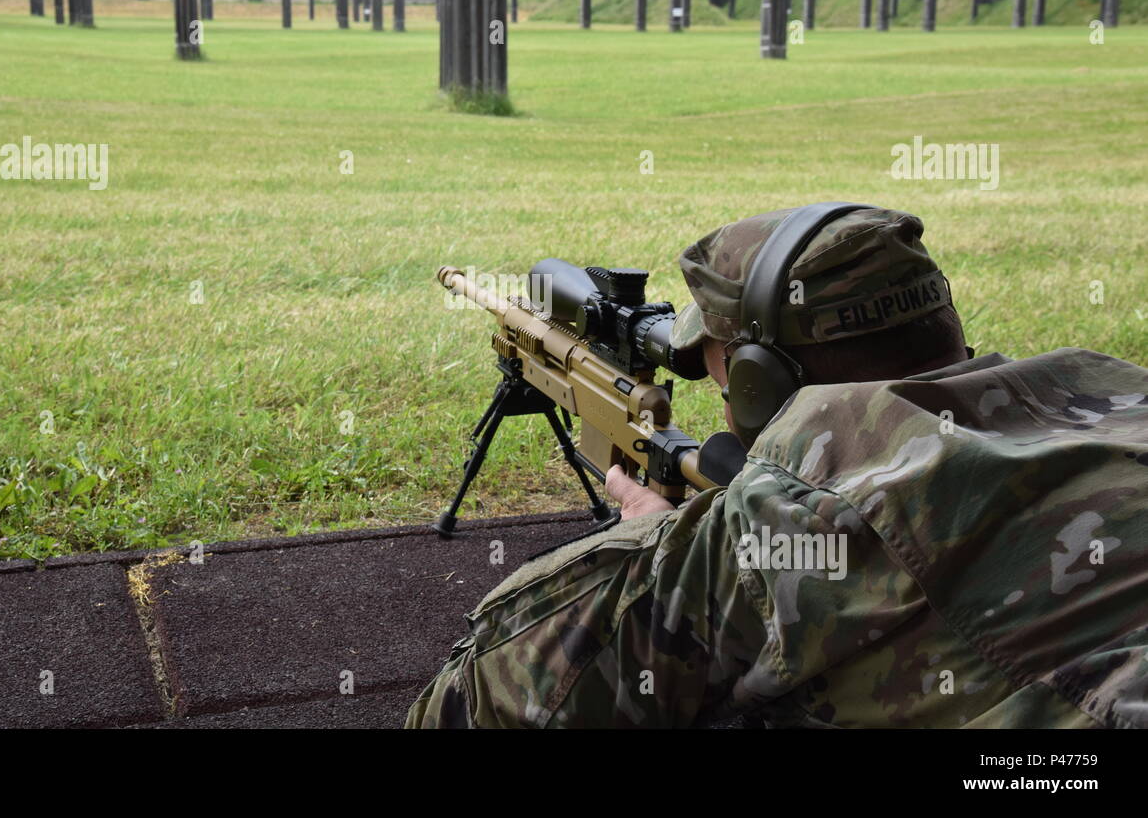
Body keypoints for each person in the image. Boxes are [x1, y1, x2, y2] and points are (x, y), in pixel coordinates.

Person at [405, 204, 1148, 728]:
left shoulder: (785, 522)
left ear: (763, 384)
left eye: (723, 379)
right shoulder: (1117, 392)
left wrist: (651, 547)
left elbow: (478, 700)